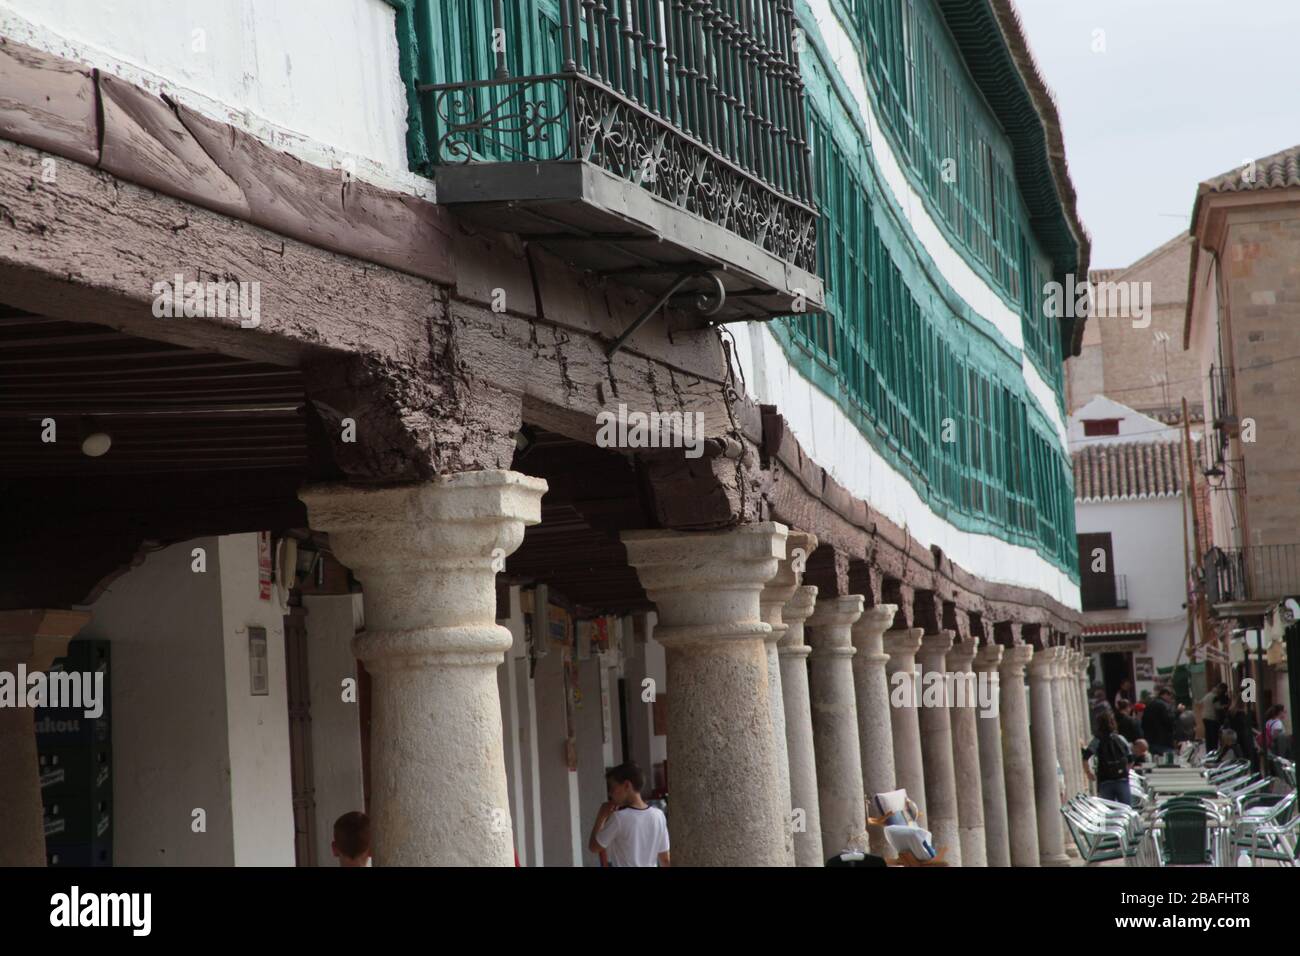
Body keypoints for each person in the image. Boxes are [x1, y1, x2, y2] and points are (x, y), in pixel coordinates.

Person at [589, 761, 670, 867]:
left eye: (612, 788)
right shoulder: (659, 815)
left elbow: (594, 847)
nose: (610, 793)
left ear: (627, 785)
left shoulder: (619, 818)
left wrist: (601, 816)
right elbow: (665, 859)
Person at [1082, 711, 1133, 807]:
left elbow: (1085, 758)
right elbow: (1130, 758)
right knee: (1127, 809)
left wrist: (1089, 773)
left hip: (1105, 780)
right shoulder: (1120, 738)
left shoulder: (1097, 740)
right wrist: (1125, 771)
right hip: (1121, 779)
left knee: (1108, 811)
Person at [1142, 686, 1176, 755]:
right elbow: (1170, 721)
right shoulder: (1165, 705)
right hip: (1164, 742)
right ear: (1166, 694)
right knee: (1168, 763)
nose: (1171, 700)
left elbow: (1143, 722)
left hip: (1150, 741)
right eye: (1171, 697)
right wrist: (1178, 712)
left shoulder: (1149, 704)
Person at [1200, 682, 1228, 750]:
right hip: (1212, 718)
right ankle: (1214, 751)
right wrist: (1224, 706)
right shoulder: (1215, 697)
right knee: (1213, 737)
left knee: (1208, 735)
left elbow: (1201, 702)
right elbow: (1217, 707)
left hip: (1205, 717)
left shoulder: (1208, 695)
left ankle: (1208, 751)